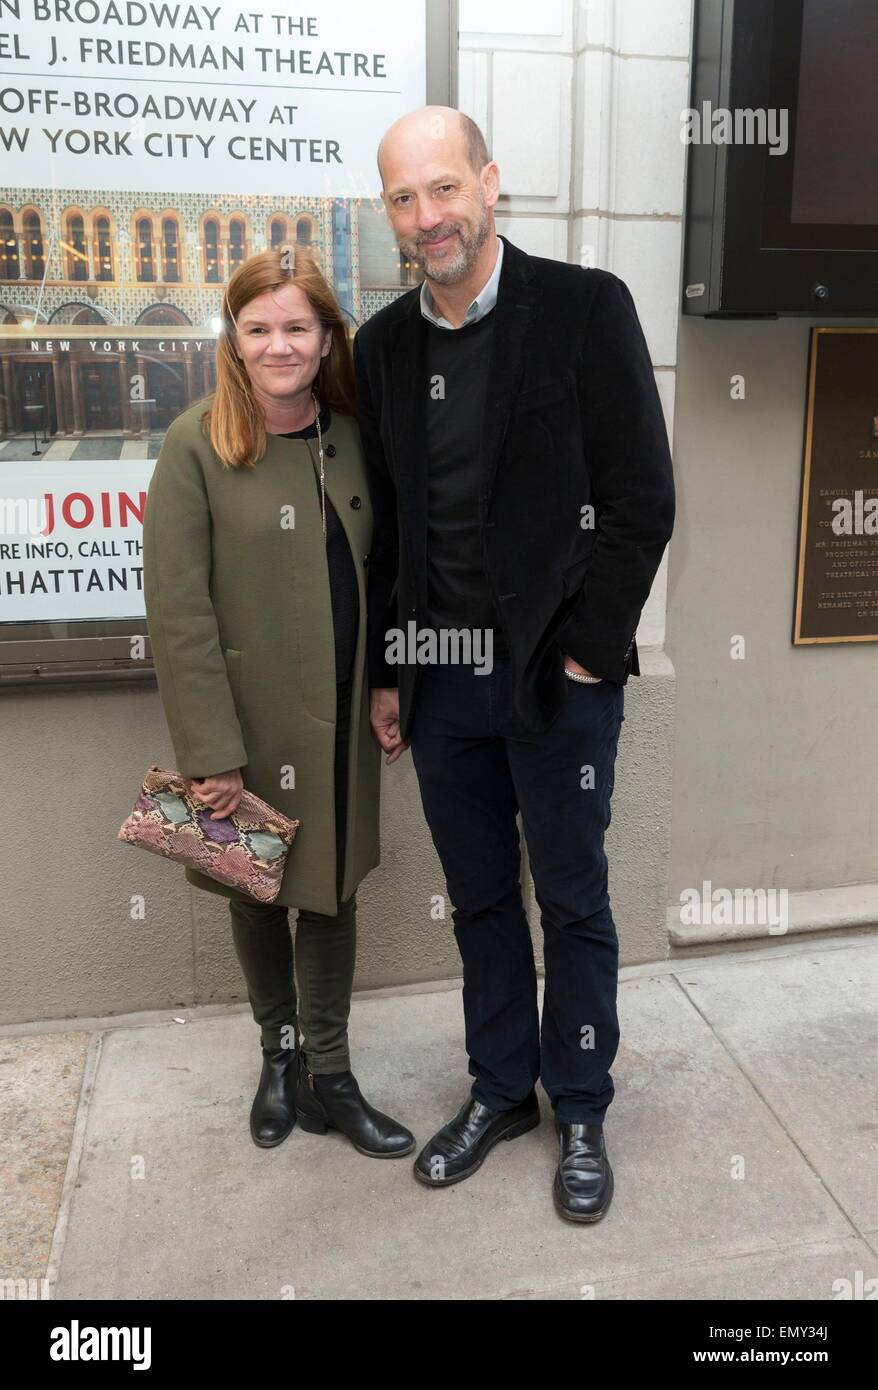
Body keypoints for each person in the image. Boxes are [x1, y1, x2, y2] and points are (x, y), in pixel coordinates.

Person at [355, 107, 675, 1220]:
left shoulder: (584, 309)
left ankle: (578, 1101)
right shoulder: (385, 346)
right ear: (388, 213)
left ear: (488, 183)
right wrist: (391, 673)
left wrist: (590, 653)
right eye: (404, 197)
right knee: (481, 900)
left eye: (443, 188)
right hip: (443, 681)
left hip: (555, 680)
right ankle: (503, 1090)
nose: (427, 216)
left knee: (572, 899)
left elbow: (641, 498)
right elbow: (392, 523)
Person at [142, 246, 413, 1160]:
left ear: (325, 333)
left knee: (331, 895)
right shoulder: (196, 444)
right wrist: (210, 749)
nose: (278, 345)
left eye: (297, 326)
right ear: (235, 338)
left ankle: (331, 1077)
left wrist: (388, 681)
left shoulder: (352, 434)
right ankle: (280, 1056)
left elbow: (386, 568)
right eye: (258, 328)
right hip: (246, 729)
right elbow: (178, 614)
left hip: (339, 722)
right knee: (254, 892)